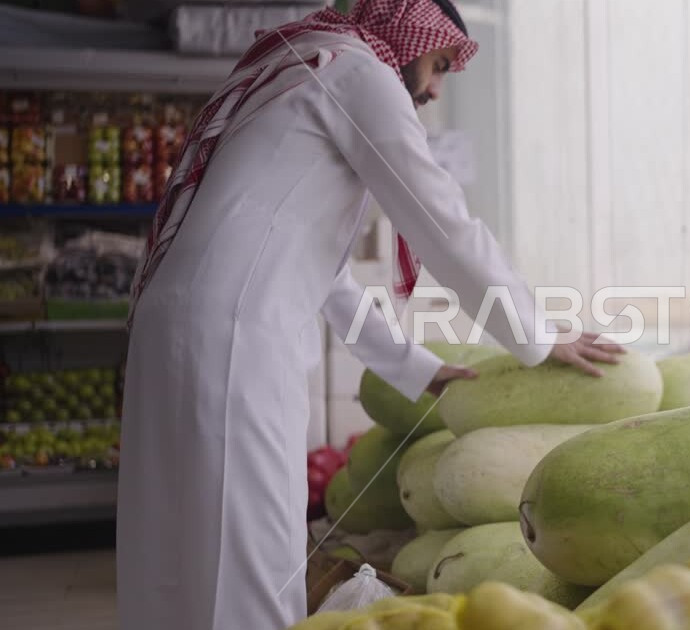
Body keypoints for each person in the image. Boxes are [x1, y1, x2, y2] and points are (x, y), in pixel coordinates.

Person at [115, 1, 622, 627]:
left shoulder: (303, 63)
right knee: (253, 549)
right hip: (233, 337)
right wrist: (539, 337)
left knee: (171, 539)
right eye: (437, 65)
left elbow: (323, 274)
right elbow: (443, 221)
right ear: (405, 38)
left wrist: (417, 366)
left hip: (177, 325)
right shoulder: (359, 73)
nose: (435, 88)